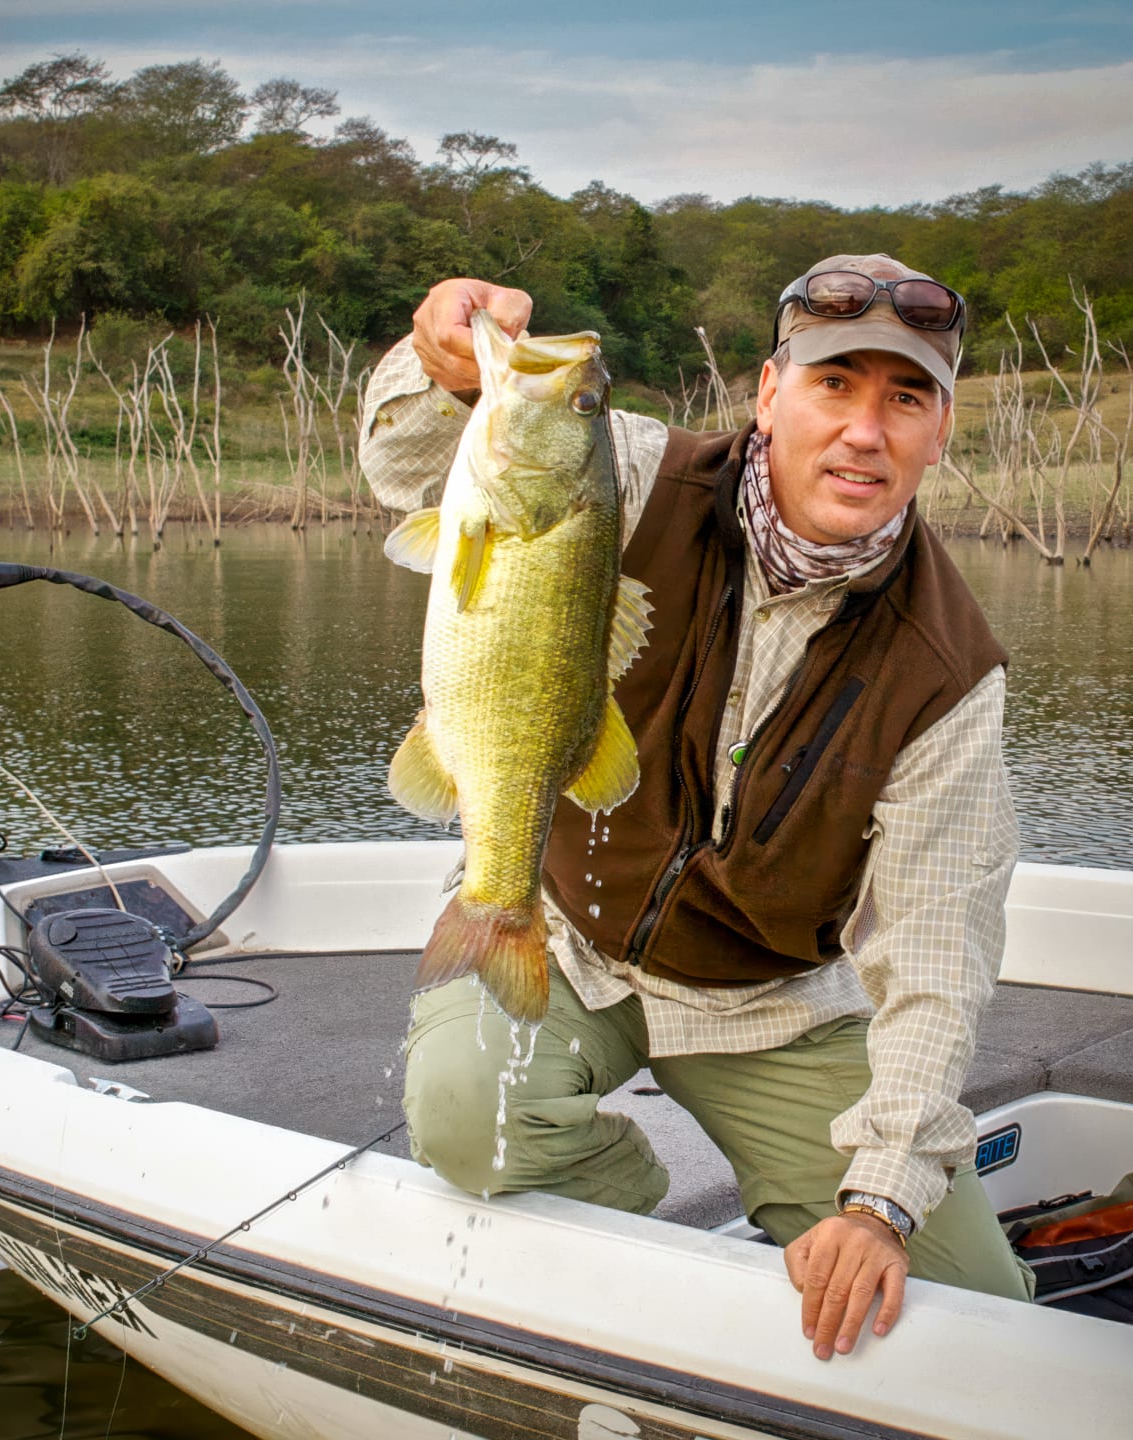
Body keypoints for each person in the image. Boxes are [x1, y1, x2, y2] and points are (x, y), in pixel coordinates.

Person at [358, 254, 1035, 1363]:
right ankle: (629, 1188)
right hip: (571, 943)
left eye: (902, 398)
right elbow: (402, 467)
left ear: (938, 431)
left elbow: (936, 951)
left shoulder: (947, 671)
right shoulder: (617, 470)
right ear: (768, 395)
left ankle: (821, 1212)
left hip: (771, 1008)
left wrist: (880, 1200)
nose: (864, 431)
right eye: (833, 386)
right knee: (461, 1117)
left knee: (972, 1317)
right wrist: (442, 365)